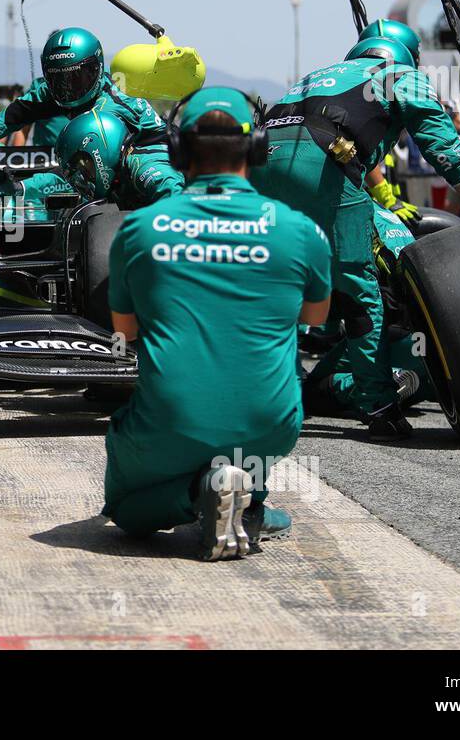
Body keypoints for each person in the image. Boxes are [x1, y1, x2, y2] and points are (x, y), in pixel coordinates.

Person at [102, 90, 331, 561]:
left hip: (172, 417)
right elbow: (315, 319)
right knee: (248, 429)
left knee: (125, 511)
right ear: (258, 149)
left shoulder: (139, 228)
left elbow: (125, 332)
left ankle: (196, 496)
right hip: (268, 422)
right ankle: (249, 500)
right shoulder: (301, 230)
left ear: (178, 151)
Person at [252, 19, 460, 439]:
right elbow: (447, 152)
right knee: (359, 294)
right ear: (409, 56)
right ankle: (379, 405)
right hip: (321, 170)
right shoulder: (400, 76)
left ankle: (275, 389)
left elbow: (337, 133)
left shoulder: (320, 75)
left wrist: (385, 199)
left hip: (259, 164)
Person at [0, 28, 177, 188]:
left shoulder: (106, 110)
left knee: (159, 184)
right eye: (58, 79)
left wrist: (23, 187)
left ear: (96, 69)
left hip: (152, 152)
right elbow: (20, 110)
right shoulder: (52, 92)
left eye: (76, 78)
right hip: (109, 166)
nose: (67, 88)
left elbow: (77, 170)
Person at [31, 109, 184, 209]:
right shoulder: (120, 173)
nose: (81, 177)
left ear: (98, 150)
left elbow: (180, 205)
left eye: (84, 166)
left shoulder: (143, 167)